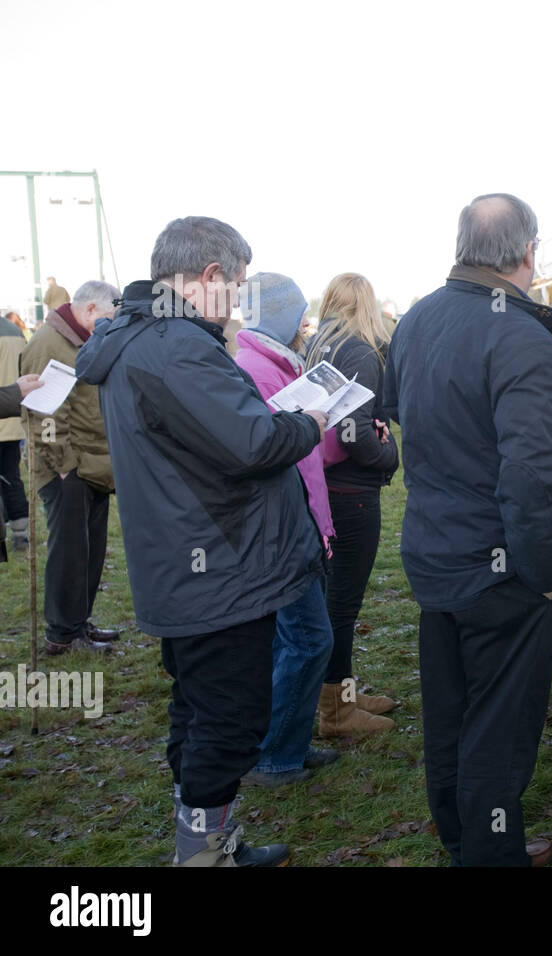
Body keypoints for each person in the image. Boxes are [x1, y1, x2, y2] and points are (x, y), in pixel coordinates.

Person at [77, 216, 328, 867]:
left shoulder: (139, 337)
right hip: (219, 567)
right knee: (228, 717)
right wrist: (308, 420)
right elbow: (254, 442)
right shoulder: (175, 346)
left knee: (198, 711)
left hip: (188, 561)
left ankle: (206, 838)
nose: (239, 303)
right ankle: (203, 852)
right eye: (237, 286)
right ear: (209, 277)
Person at [383, 193, 552, 867]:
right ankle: (488, 851)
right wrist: (548, 572)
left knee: (454, 716)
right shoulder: (519, 337)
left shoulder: (418, 319)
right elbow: (532, 475)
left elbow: (403, 416)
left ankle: (472, 840)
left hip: (440, 553)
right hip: (498, 567)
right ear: (529, 255)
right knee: (497, 731)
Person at [234, 273, 340, 785]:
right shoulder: (256, 369)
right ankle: (275, 754)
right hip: (282, 530)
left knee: (293, 639)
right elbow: (276, 452)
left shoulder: (276, 363)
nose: (305, 323)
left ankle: (286, 744)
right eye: (299, 313)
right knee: (308, 640)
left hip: (298, 522)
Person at [307, 272, 400, 736]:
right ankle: (336, 713)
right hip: (352, 492)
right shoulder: (360, 350)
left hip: (325, 486)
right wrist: (388, 456)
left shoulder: (320, 344)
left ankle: (339, 694)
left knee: (332, 600)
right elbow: (354, 431)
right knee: (341, 605)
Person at [20, 281, 121, 653]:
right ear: (90, 309)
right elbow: (42, 414)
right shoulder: (48, 344)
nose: (110, 326)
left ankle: (79, 623)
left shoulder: (81, 341)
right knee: (70, 553)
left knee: (90, 552)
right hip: (67, 469)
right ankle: (63, 634)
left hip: (91, 466)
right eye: (108, 318)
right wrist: (64, 467)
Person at [1, 315, 32, 554]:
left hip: (4, 407)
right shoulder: (16, 332)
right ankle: (21, 533)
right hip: (15, 415)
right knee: (12, 476)